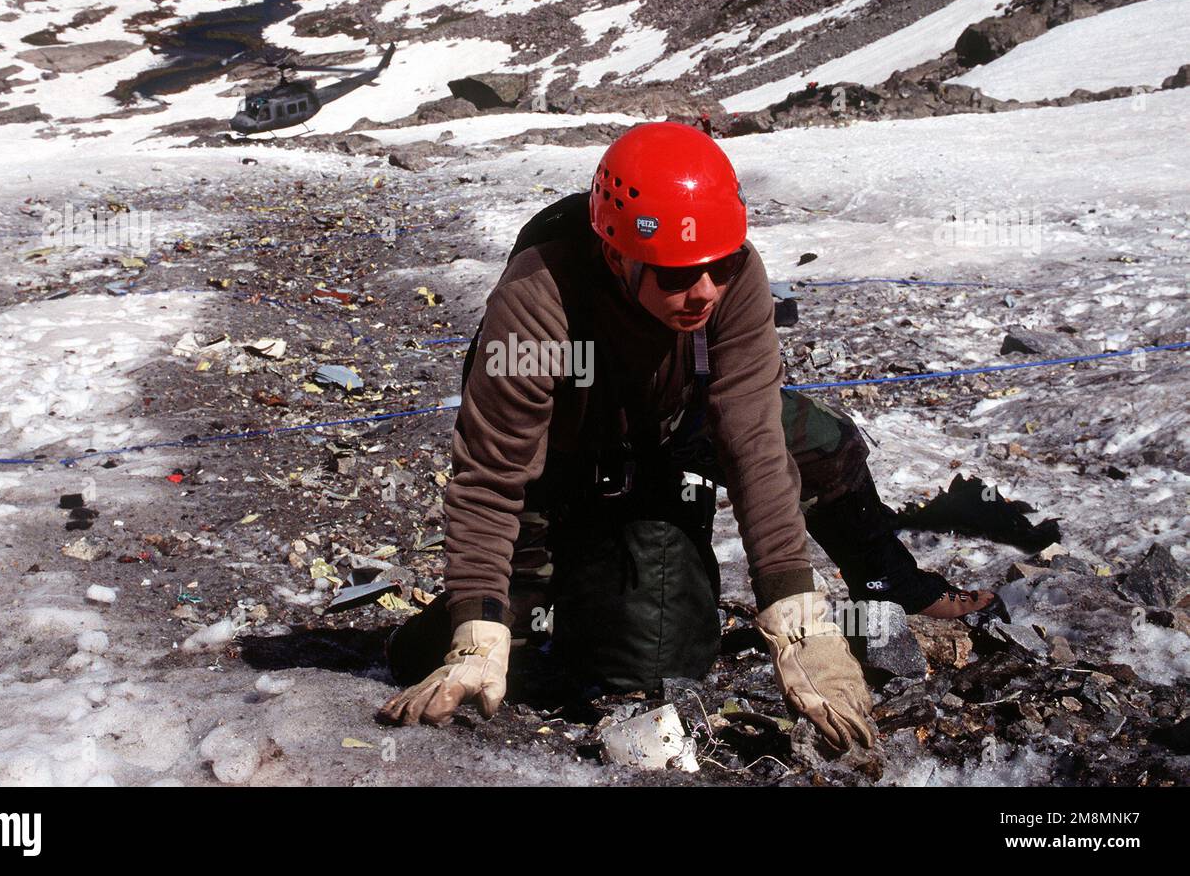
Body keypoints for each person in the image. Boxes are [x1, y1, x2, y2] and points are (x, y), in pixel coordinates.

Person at [377, 122, 997, 749]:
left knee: (822, 444)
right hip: (566, 454)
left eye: (718, 267)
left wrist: (796, 616)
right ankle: (464, 622)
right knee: (589, 650)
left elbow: (754, 440)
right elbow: (493, 477)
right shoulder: (538, 302)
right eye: (674, 276)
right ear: (617, 256)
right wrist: (477, 632)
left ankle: (892, 586)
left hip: (680, 421)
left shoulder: (735, 279)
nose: (704, 293)